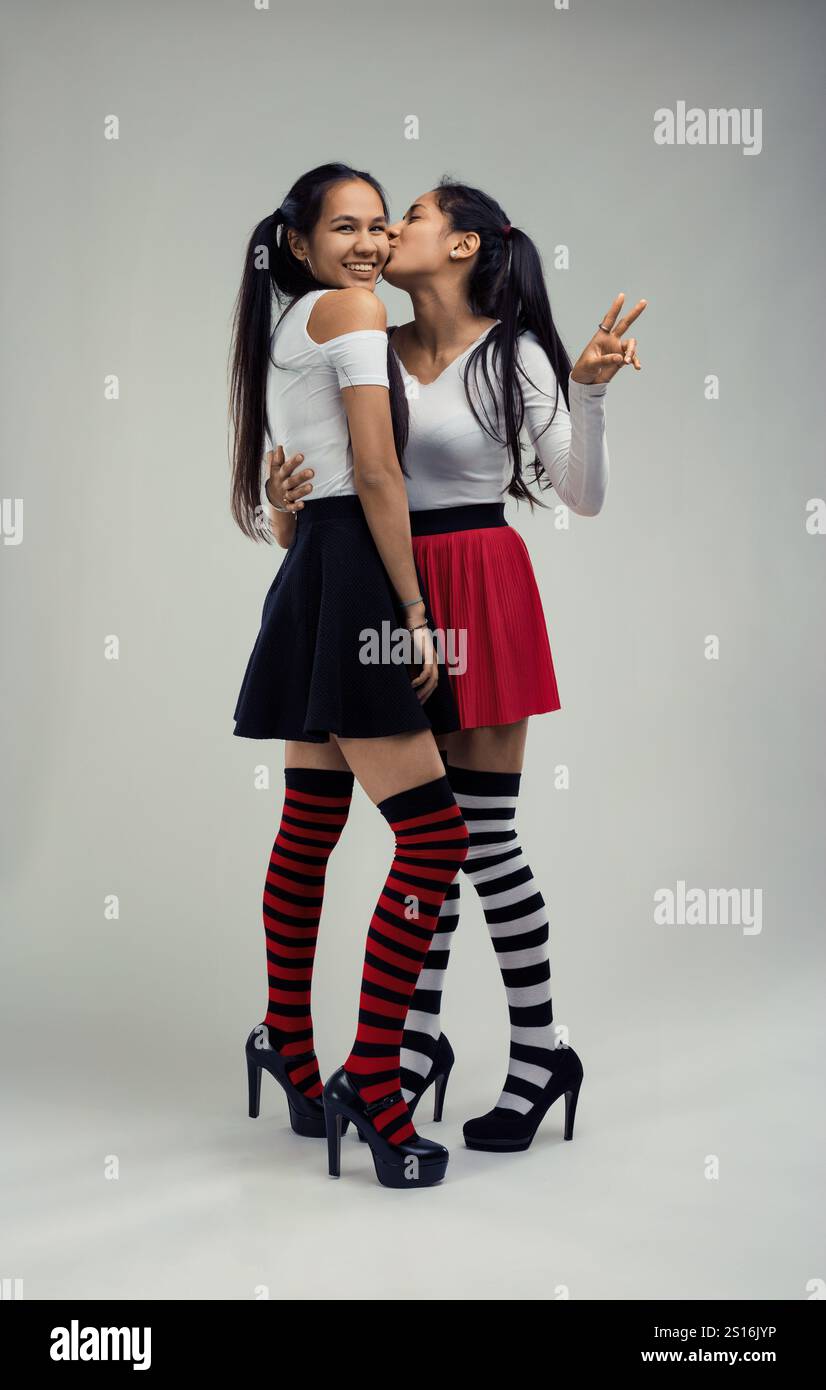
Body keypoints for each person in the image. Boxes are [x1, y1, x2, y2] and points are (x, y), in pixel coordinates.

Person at [266, 177, 646, 1153]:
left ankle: (537, 1055)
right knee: (423, 839)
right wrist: (282, 499)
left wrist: (589, 391)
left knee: (479, 836)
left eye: (416, 215)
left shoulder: (513, 353)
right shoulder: (370, 342)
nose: (392, 229)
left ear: (468, 245)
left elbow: (582, 495)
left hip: (473, 581)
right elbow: (336, 483)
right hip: (383, 585)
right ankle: (412, 1044)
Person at [230, 163, 469, 1188]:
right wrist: (414, 612)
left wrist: (292, 516)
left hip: (308, 570)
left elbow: (284, 496)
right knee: (434, 835)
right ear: (297, 241)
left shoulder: (287, 325)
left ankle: (287, 1039)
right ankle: (373, 1081)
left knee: (312, 824)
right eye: (345, 227)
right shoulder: (356, 309)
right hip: (356, 577)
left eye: (380, 227)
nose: (370, 244)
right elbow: (375, 470)